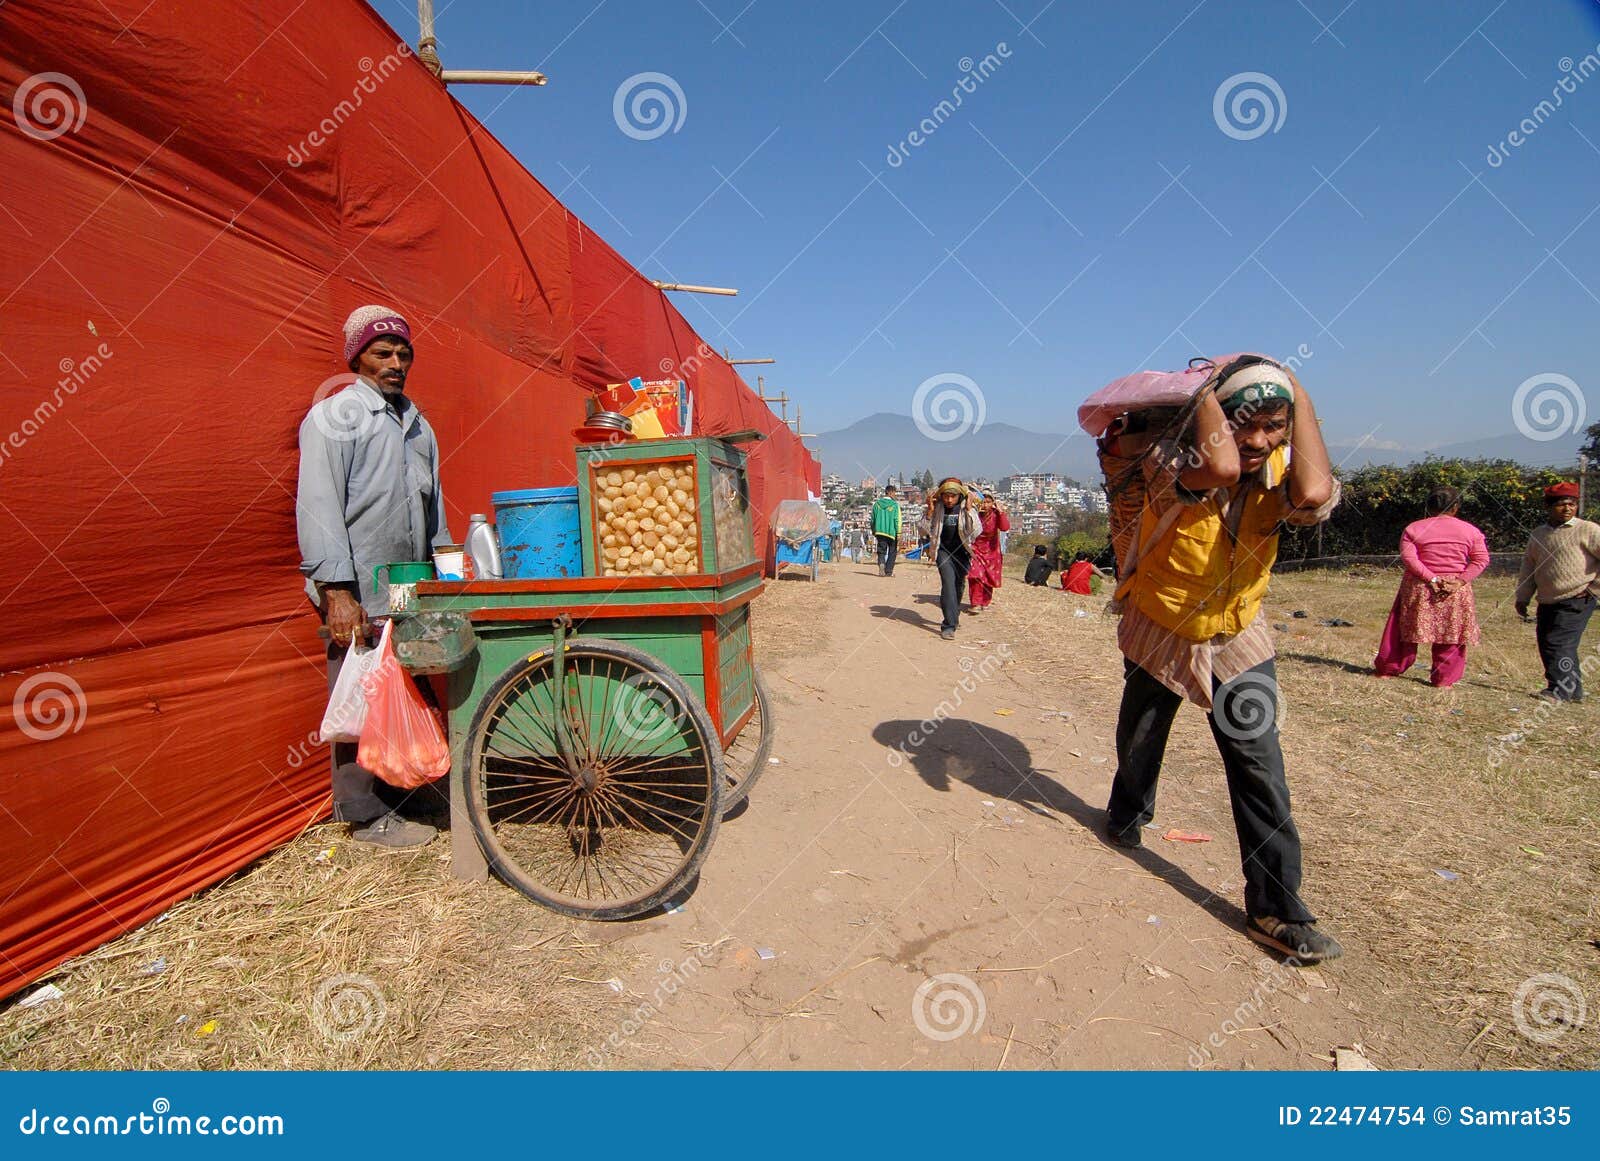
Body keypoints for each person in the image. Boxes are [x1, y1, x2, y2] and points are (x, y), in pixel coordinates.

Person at [1102, 362, 1344, 963]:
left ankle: (1276, 908)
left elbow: (1314, 496)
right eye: (1247, 424)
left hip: (1238, 628)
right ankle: (1128, 808)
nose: (1260, 441)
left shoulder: (1289, 473)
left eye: (1275, 427)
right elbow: (1221, 467)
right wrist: (1205, 392)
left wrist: (1300, 394)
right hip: (1162, 618)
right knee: (1143, 732)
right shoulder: (1170, 462)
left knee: (1258, 759)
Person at [297, 305, 452, 849]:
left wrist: (445, 570)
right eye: (382, 352)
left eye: (403, 353)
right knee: (360, 689)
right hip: (357, 584)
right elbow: (317, 506)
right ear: (357, 358)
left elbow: (433, 512)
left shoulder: (417, 425)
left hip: (408, 582)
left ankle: (416, 790)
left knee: (410, 683)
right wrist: (337, 591)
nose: (396, 362)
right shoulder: (335, 417)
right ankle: (364, 814)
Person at [1372, 487, 1489, 688]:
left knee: (1402, 629)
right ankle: (1444, 679)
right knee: (1450, 634)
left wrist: (1432, 579)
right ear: (1456, 507)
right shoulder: (1471, 531)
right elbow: (1480, 560)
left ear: (1428, 506)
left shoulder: (1414, 528)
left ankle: (1389, 668)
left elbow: (1409, 558)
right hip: (1454, 590)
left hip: (1420, 587)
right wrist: (1459, 581)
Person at [1514, 481, 1600, 702]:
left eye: (1571, 504)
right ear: (1548, 507)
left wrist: (1593, 589)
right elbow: (1529, 567)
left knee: (1559, 643)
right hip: (1548, 599)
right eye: (1561, 505)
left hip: (1578, 597)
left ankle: (1560, 691)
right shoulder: (1539, 534)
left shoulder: (1587, 530)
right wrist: (1523, 597)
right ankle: (1573, 691)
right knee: (1547, 643)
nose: (1567, 509)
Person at [917, 478, 980, 640]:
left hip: (962, 553)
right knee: (948, 583)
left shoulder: (966, 507)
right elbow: (922, 532)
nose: (949, 500)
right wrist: (929, 512)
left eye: (953, 496)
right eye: (946, 496)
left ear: (960, 495)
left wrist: (968, 510)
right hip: (943, 551)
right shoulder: (937, 508)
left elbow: (975, 533)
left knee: (958, 585)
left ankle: (954, 615)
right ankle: (949, 625)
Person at [966, 489, 1010, 613]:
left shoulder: (996, 515)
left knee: (988, 578)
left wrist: (1001, 512)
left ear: (992, 503)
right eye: (983, 502)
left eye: (988, 502)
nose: (985, 505)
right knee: (975, 575)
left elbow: (1004, 527)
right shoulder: (974, 513)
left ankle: (985, 602)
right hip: (976, 549)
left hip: (992, 551)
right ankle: (975, 603)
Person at [872, 485, 903, 576]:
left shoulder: (876, 505)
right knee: (892, 552)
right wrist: (899, 532)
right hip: (891, 532)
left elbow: (872, 519)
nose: (895, 495)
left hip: (880, 532)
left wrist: (874, 530)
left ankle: (881, 564)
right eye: (894, 493)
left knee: (881, 550)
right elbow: (898, 520)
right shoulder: (895, 505)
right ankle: (888, 571)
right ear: (890, 493)